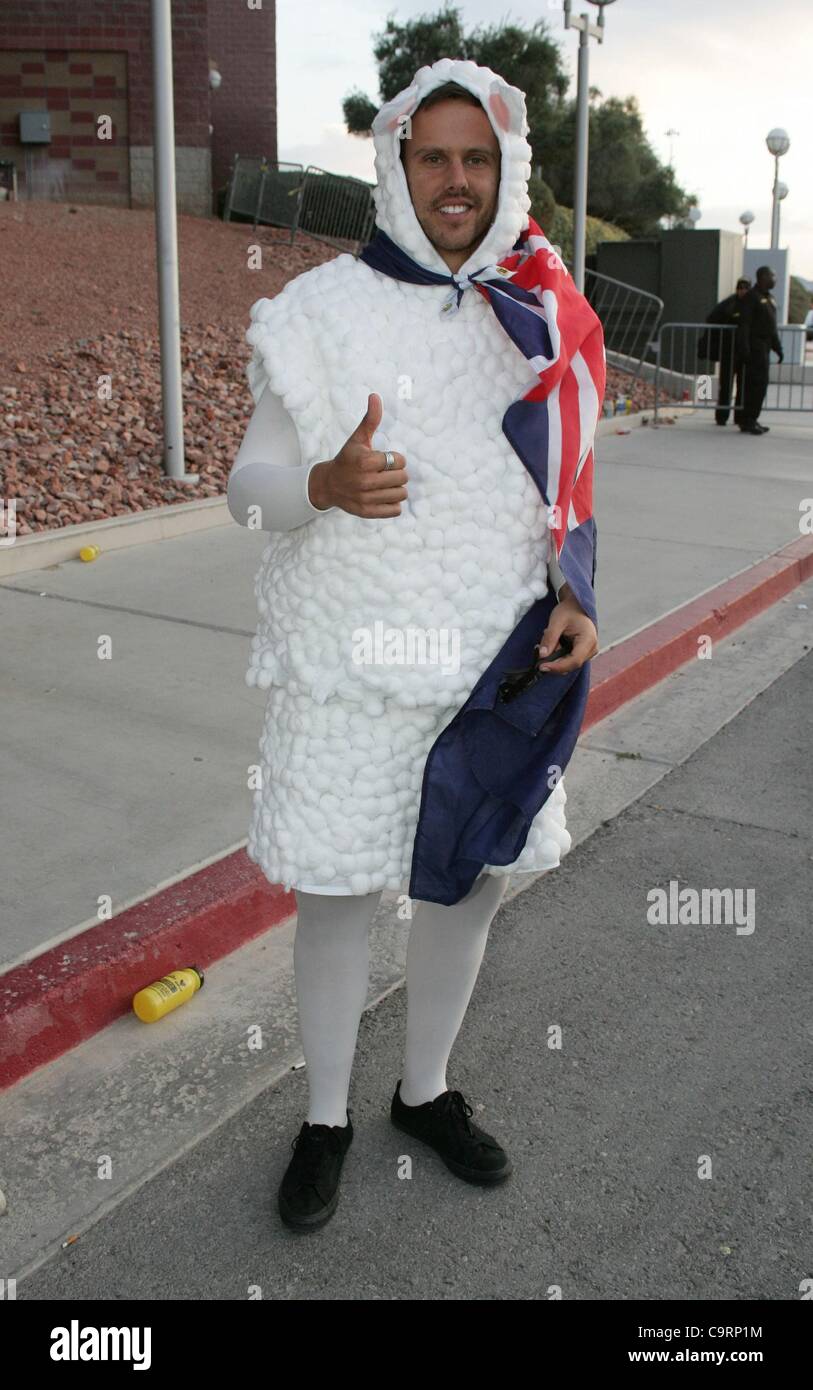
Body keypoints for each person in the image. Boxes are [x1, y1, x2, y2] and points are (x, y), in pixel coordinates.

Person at [227, 58, 605, 1231]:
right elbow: (246, 492)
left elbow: (575, 488)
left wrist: (579, 592)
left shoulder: (542, 315)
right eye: (432, 156)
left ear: (507, 171)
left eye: (476, 158)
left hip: (487, 669)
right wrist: (324, 485)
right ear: (396, 166)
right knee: (337, 894)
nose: (455, 179)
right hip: (347, 668)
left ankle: (425, 1090)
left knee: (467, 893)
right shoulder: (318, 314)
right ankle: (328, 1114)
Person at [735, 266, 784, 434]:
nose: (775, 278)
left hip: (765, 346)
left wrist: (778, 348)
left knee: (761, 385)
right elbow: (745, 325)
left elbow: (771, 327)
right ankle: (747, 420)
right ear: (763, 277)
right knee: (753, 385)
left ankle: (752, 418)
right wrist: (745, 348)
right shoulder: (752, 297)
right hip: (754, 347)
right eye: (772, 275)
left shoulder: (769, 298)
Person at [703, 277, 750, 426]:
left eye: (745, 288)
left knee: (743, 385)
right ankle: (722, 416)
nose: (742, 291)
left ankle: (739, 416)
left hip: (744, 350)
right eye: (740, 288)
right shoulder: (729, 303)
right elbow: (712, 318)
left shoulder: (750, 305)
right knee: (726, 385)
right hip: (729, 349)